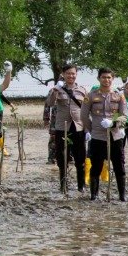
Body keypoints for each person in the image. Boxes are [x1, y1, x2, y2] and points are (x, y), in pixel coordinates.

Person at [83, 69, 128, 201]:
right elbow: (84, 115)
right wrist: (92, 129)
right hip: (98, 136)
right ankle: (94, 195)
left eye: (109, 77)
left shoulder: (119, 96)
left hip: (115, 135)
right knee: (96, 166)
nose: (106, 80)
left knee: (119, 165)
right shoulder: (91, 95)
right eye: (103, 77)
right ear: (99, 78)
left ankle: (122, 195)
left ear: (112, 79)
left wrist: (113, 123)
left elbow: (124, 116)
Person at [44, 64, 87, 194]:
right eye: (68, 73)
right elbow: (50, 103)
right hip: (62, 127)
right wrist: (55, 90)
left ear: (76, 75)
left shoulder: (82, 90)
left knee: (80, 157)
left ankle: (81, 185)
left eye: (73, 73)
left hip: (78, 127)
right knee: (62, 157)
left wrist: (89, 128)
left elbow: (87, 108)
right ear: (63, 74)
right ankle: (63, 185)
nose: (71, 76)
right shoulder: (57, 89)